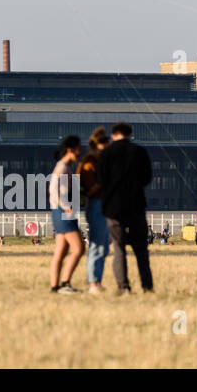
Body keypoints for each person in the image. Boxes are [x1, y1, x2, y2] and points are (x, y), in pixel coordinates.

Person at [98, 122, 153, 294]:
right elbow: (147, 178)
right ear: (130, 134)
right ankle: (147, 286)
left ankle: (123, 287)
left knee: (119, 248)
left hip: (113, 208)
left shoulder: (106, 153)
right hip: (136, 205)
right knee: (141, 249)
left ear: (113, 135)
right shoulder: (139, 152)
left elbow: (100, 180)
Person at [49, 135, 85, 294]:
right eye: (78, 148)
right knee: (79, 249)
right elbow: (54, 190)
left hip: (59, 212)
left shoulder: (66, 166)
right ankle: (65, 283)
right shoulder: (62, 167)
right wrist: (67, 208)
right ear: (70, 150)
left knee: (61, 251)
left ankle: (55, 286)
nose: (81, 151)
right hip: (63, 212)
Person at [78, 126, 110, 294]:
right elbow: (84, 187)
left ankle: (97, 280)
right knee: (97, 245)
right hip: (96, 203)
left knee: (104, 245)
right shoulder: (89, 163)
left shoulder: (103, 161)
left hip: (105, 204)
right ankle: (93, 282)